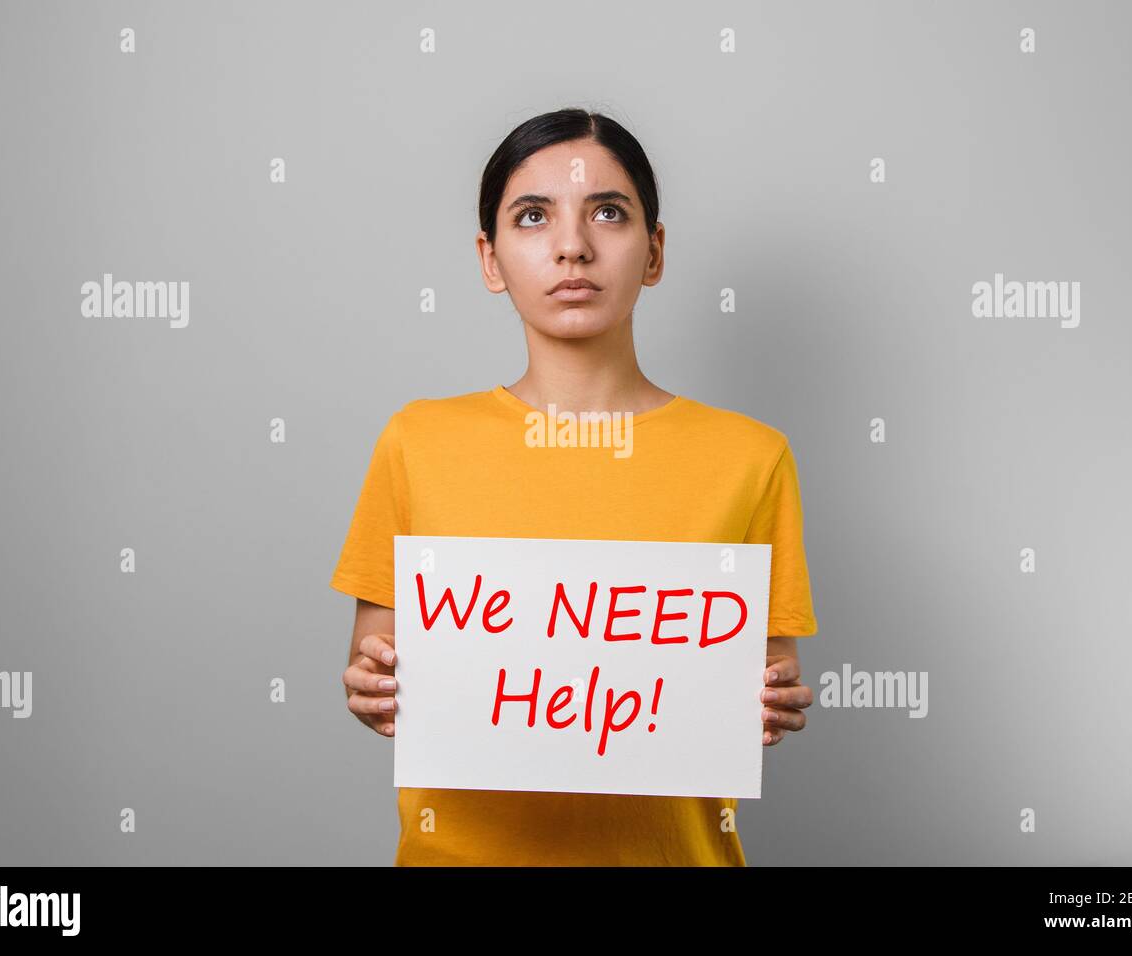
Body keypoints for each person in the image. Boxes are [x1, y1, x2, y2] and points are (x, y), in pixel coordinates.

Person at [331, 107, 819, 866]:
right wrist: (373, 684)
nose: (572, 247)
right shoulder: (417, 442)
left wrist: (770, 699)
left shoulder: (750, 458)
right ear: (490, 260)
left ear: (654, 252)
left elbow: (762, 671)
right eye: (533, 217)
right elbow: (377, 651)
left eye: (609, 213)